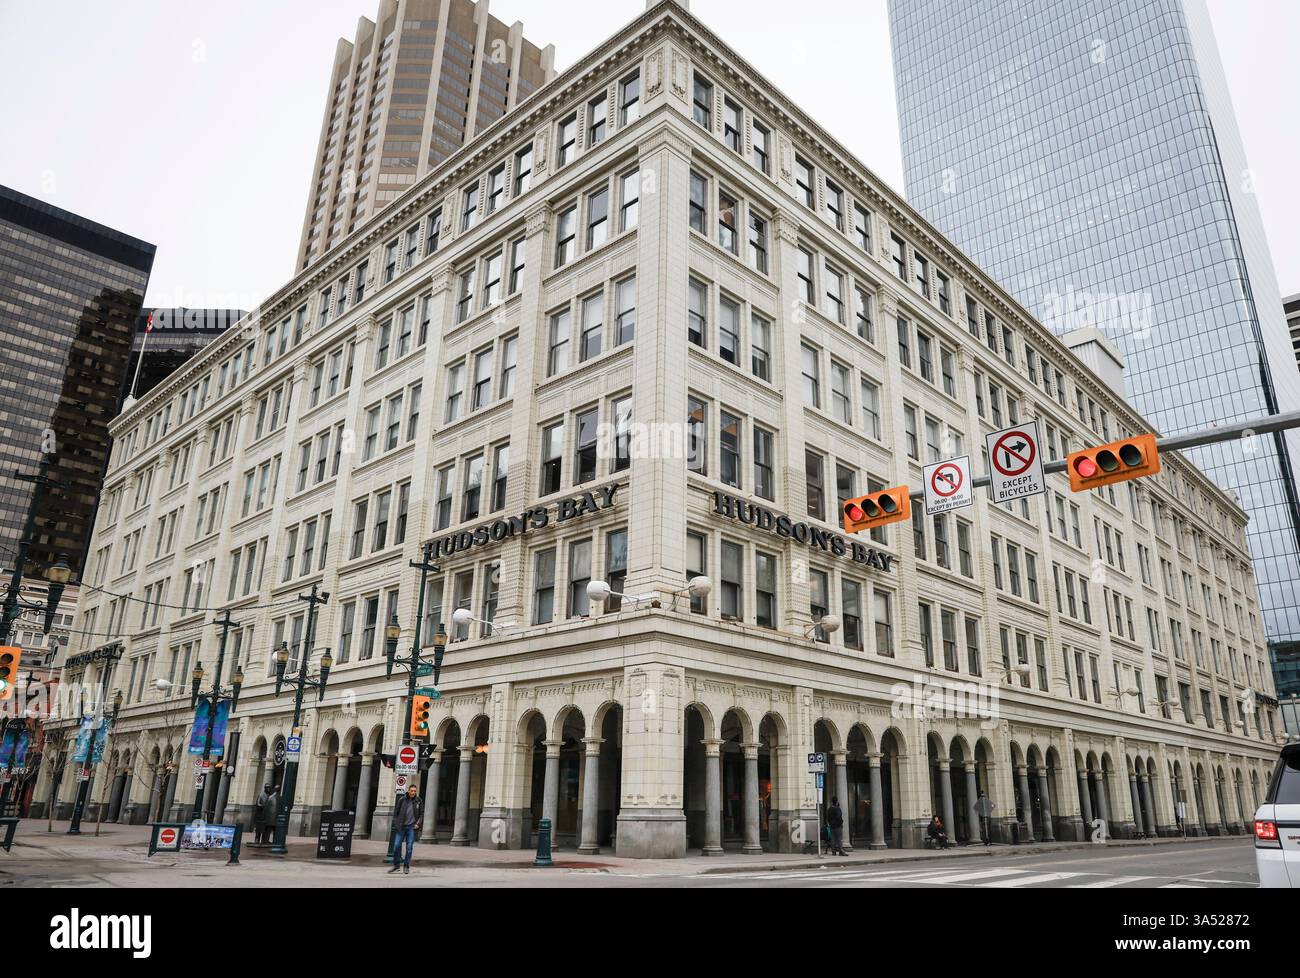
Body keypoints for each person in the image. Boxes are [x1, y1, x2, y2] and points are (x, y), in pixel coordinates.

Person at [388, 784, 423, 874]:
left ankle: (406, 866)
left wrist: (418, 824)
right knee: (396, 846)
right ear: (408, 791)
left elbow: (421, 814)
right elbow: (396, 813)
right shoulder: (402, 800)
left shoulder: (418, 801)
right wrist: (396, 824)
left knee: (409, 848)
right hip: (401, 827)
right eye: (412, 791)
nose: (413, 792)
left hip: (411, 827)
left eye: (415, 791)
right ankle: (396, 865)